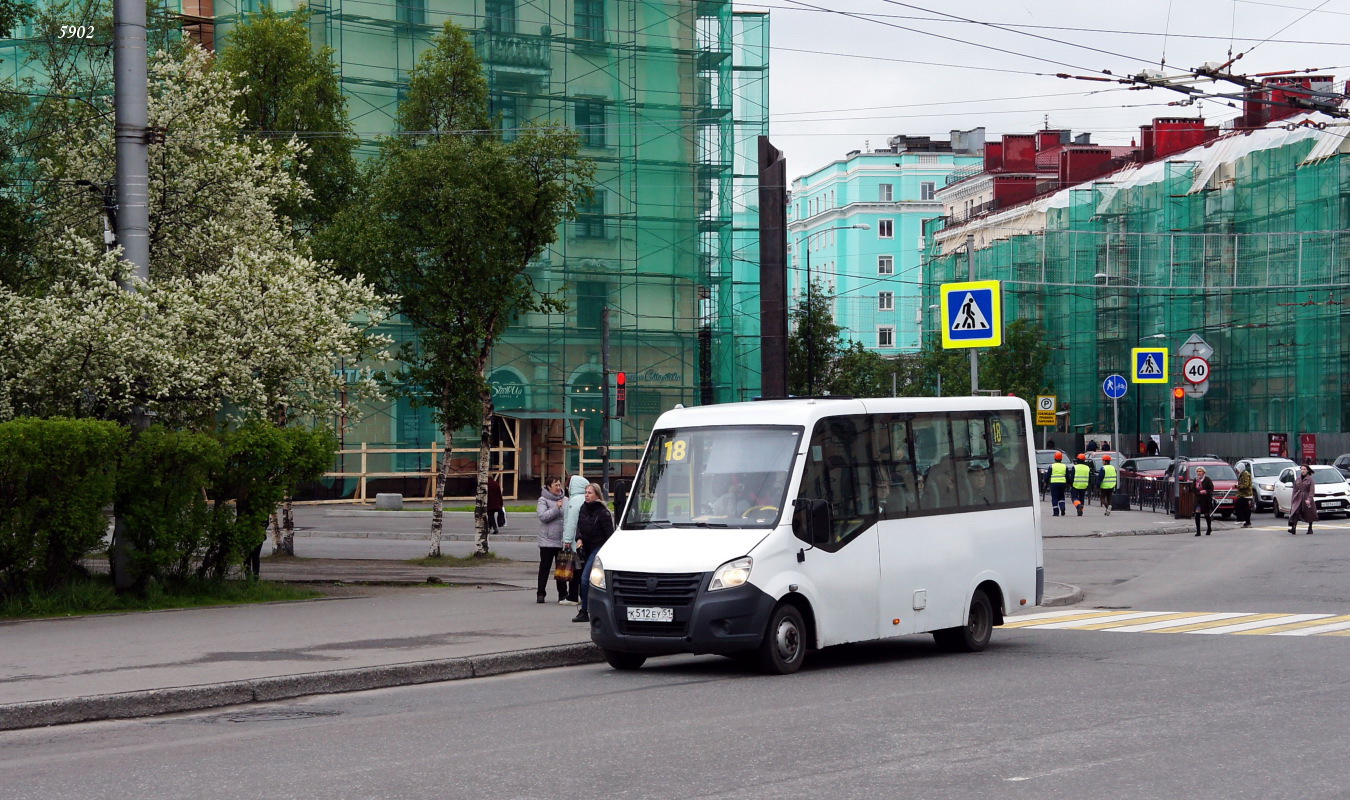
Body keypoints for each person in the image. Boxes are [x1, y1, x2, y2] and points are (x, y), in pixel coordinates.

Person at [573, 483, 615, 624]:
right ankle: (588, 607)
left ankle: (585, 611)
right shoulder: (583, 508)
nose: (586, 495)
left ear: (597, 495)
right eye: (586, 492)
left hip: (599, 547)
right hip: (586, 547)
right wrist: (578, 539)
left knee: (586, 579)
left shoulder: (603, 513)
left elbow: (610, 535)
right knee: (582, 579)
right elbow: (579, 526)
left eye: (590, 493)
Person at [535, 477, 569, 604]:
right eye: (556, 485)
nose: (558, 487)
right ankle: (540, 593)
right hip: (547, 541)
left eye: (559, 485)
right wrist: (556, 508)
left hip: (562, 540)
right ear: (549, 486)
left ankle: (563, 594)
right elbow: (543, 516)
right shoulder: (543, 500)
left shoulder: (565, 499)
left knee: (561, 568)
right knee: (545, 567)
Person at [559, 475, 591, 605]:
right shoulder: (586, 498)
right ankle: (582, 595)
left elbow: (570, 522)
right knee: (583, 569)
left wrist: (566, 541)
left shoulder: (574, 501)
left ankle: (572, 596)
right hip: (585, 540)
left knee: (575, 570)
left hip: (574, 541)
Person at [1289, 463, 1318, 535]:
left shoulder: (1310, 479)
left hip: (1306, 497)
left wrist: (1309, 499)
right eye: (1302, 469)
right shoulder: (1298, 479)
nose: (1303, 471)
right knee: (1296, 512)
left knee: (1309, 513)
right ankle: (1293, 528)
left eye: (1304, 469)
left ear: (1307, 470)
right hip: (1299, 497)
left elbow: (1312, 491)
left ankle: (1310, 528)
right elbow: (1295, 489)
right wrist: (1293, 498)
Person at [1192, 466, 1215, 536]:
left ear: (1204, 472)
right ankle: (1198, 531)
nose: (1199, 473)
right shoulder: (1195, 480)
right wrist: (1198, 492)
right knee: (1197, 514)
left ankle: (1209, 528)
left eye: (1200, 471)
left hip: (1205, 500)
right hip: (1198, 500)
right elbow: (1193, 489)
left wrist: (1205, 491)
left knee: (1206, 514)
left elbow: (1211, 488)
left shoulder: (1207, 479)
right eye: (1198, 471)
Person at [1048, 451, 1068, 517]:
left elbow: (1048, 475)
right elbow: (1067, 476)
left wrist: (1045, 482)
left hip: (1054, 483)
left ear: (1054, 458)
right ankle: (1062, 507)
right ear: (1061, 459)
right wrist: (1070, 483)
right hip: (1062, 483)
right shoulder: (1065, 466)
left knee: (1054, 497)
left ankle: (1056, 512)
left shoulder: (1051, 466)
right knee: (1061, 496)